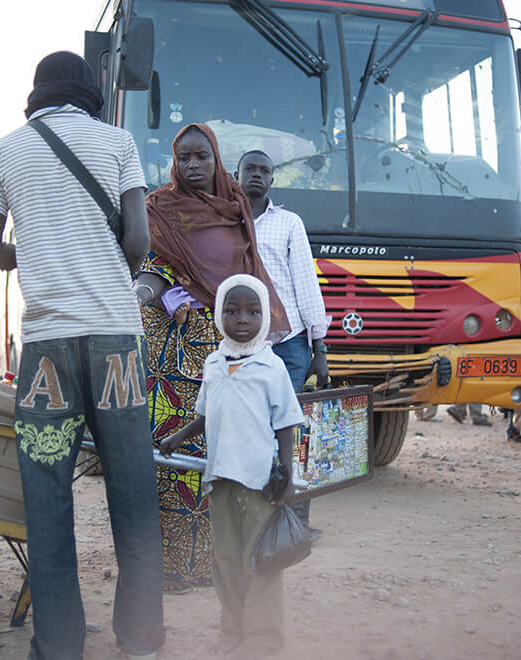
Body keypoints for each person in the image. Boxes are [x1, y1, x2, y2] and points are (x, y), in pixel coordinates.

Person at [0, 51, 165, 659]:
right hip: (115, 340)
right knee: (134, 496)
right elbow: (137, 240)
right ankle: (140, 638)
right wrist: (108, 271)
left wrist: (34, 253)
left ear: (36, 93)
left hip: (47, 347)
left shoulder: (0, 152)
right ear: (90, 93)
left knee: (49, 505)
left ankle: (57, 647)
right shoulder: (117, 143)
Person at [135, 123, 289, 593]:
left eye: (201, 156)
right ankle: (169, 567)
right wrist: (149, 295)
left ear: (216, 159)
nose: (193, 166)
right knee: (171, 457)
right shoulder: (158, 208)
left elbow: (247, 276)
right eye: (184, 158)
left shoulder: (235, 205)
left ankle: (209, 564)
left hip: (227, 354)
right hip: (171, 358)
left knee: (220, 458)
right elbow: (150, 265)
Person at [160, 274, 303, 659]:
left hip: (259, 483)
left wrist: (286, 472)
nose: (242, 318)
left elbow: (287, 421)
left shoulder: (270, 368)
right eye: (232, 310)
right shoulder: (214, 362)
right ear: (219, 315)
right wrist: (178, 438)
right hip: (220, 480)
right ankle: (232, 630)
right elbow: (205, 414)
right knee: (225, 562)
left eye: (253, 311)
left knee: (261, 561)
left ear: (265, 318)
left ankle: (264, 638)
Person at [236, 148, 327, 539]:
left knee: (287, 429)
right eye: (250, 169)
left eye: (264, 170)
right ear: (235, 175)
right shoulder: (225, 220)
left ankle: (292, 522)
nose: (257, 175)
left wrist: (319, 349)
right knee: (246, 430)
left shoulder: (289, 223)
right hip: (242, 344)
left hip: (289, 344)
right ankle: (251, 517)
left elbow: (306, 283)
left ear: (272, 180)